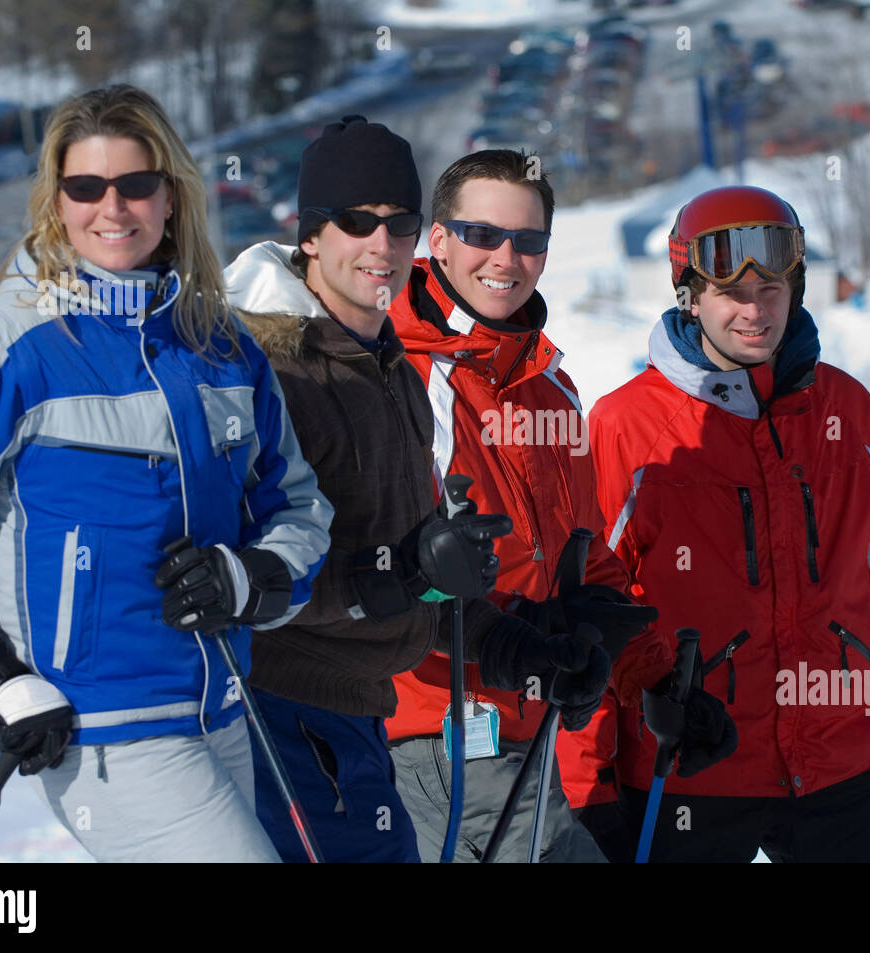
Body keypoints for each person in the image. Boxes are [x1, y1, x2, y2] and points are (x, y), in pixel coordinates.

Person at [0, 84, 333, 862]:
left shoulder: (220, 346)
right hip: (98, 727)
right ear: (56, 201)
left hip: (221, 707)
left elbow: (296, 504)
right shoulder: (4, 348)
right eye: (85, 187)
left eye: (135, 184)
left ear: (171, 196)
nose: (112, 208)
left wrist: (251, 576)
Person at [222, 120, 611, 862]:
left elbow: (431, 586)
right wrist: (400, 574)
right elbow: (251, 573)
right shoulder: (269, 371)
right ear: (309, 234)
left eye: (396, 222)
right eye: (355, 221)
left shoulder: (387, 369)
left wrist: (522, 651)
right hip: (283, 720)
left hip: (362, 718)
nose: (381, 244)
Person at [570, 185, 870, 862]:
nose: (754, 309)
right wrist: (589, 788)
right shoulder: (627, 426)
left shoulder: (848, 413)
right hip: (690, 768)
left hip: (841, 767)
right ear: (689, 294)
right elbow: (594, 611)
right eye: (729, 292)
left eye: (772, 287)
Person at [383, 149, 673, 862]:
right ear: (438, 241)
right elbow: (393, 570)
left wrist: (654, 677)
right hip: (437, 731)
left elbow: (584, 557)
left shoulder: (551, 390)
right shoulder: (401, 376)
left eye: (530, 240)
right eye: (483, 235)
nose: (506, 258)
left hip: (526, 736)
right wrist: (523, 643)